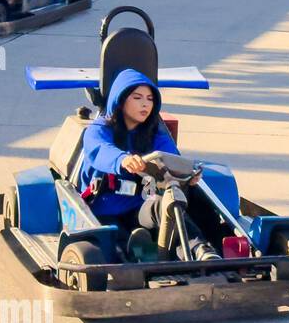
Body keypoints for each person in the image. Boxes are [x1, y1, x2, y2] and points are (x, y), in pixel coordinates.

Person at [76, 68, 217, 261]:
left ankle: (200, 251)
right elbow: (100, 150)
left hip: (139, 206)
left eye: (150, 99)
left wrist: (187, 175)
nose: (145, 104)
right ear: (121, 99)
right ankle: (132, 255)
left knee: (167, 205)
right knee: (114, 246)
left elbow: (171, 157)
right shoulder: (99, 130)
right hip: (104, 209)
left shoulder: (154, 134)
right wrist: (123, 160)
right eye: (137, 98)